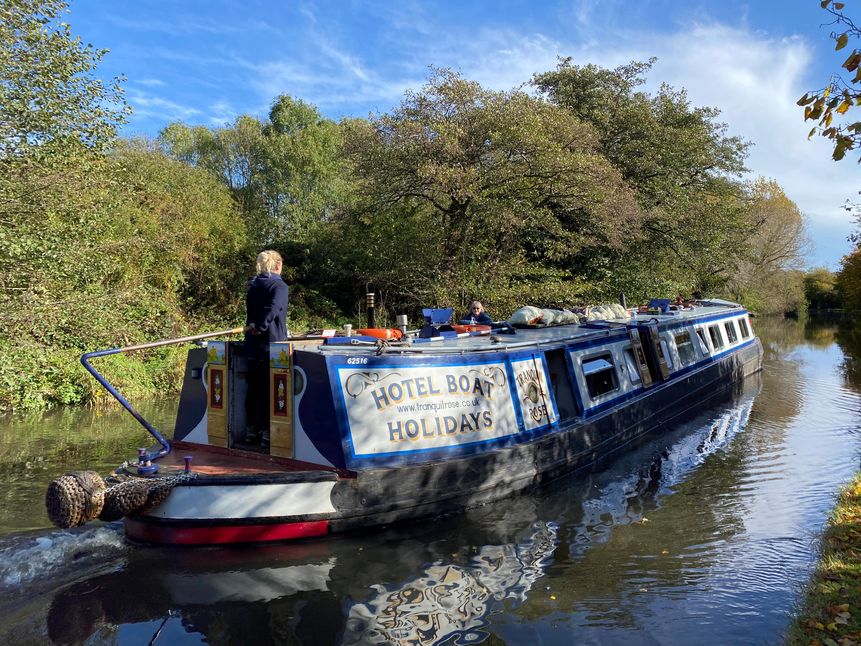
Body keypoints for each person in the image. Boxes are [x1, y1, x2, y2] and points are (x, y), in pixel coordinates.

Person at [244, 250, 289, 448]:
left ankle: (251, 431)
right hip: (272, 345)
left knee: (254, 388)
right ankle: (267, 434)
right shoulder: (279, 285)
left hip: (252, 345)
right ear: (278, 265)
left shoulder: (253, 285)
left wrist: (255, 326)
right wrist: (261, 326)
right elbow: (273, 307)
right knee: (271, 391)